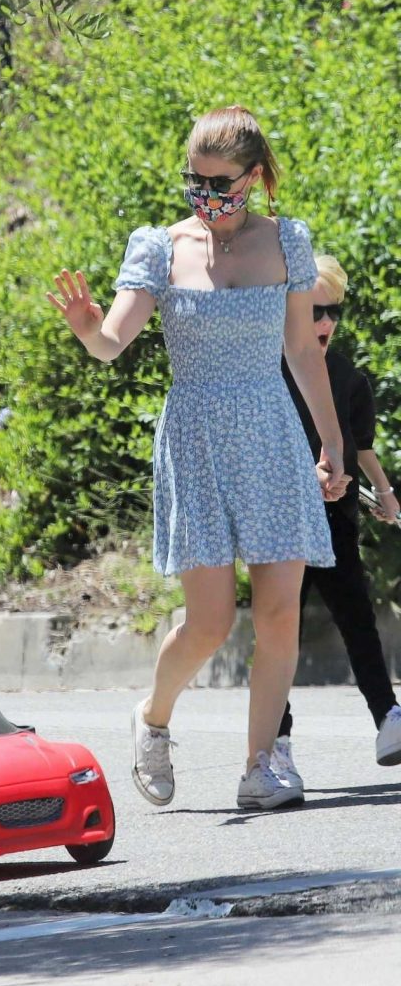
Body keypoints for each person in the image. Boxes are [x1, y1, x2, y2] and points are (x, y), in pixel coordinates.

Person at [47, 105, 346, 810]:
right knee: (210, 621)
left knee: (278, 614)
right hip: (197, 435)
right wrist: (90, 331)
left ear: (255, 178)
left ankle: (259, 764)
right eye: (196, 181)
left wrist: (331, 445)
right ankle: (152, 720)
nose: (207, 195)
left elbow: (303, 352)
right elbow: (115, 340)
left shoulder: (288, 242)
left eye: (221, 182)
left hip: (271, 430)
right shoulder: (159, 247)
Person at [271, 254, 401, 790]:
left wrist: (387, 494)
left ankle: (389, 719)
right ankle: (275, 744)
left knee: (359, 621)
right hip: (279, 524)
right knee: (281, 635)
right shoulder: (268, 375)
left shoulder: (348, 376)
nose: (324, 322)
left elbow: (360, 445)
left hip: (335, 519)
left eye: (333, 312)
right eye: (314, 311)